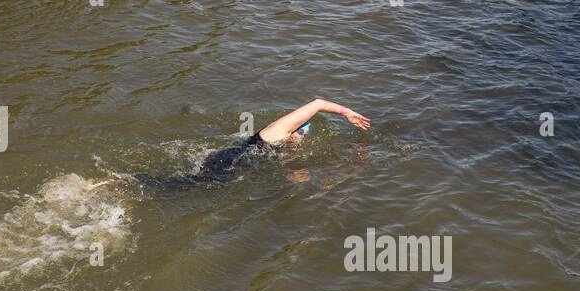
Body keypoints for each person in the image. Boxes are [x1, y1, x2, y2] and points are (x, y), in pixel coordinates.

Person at [84, 98, 371, 191]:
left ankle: (119, 183)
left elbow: (294, 175)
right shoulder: (276, 132)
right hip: (226, 165)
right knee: (177, 186)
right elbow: (318, 103)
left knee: (183, 181)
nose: (301, 138)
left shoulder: (283, 144)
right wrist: (348, 113)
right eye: (302, 133)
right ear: (296, 129)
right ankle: (114, 183)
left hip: (226, 158)